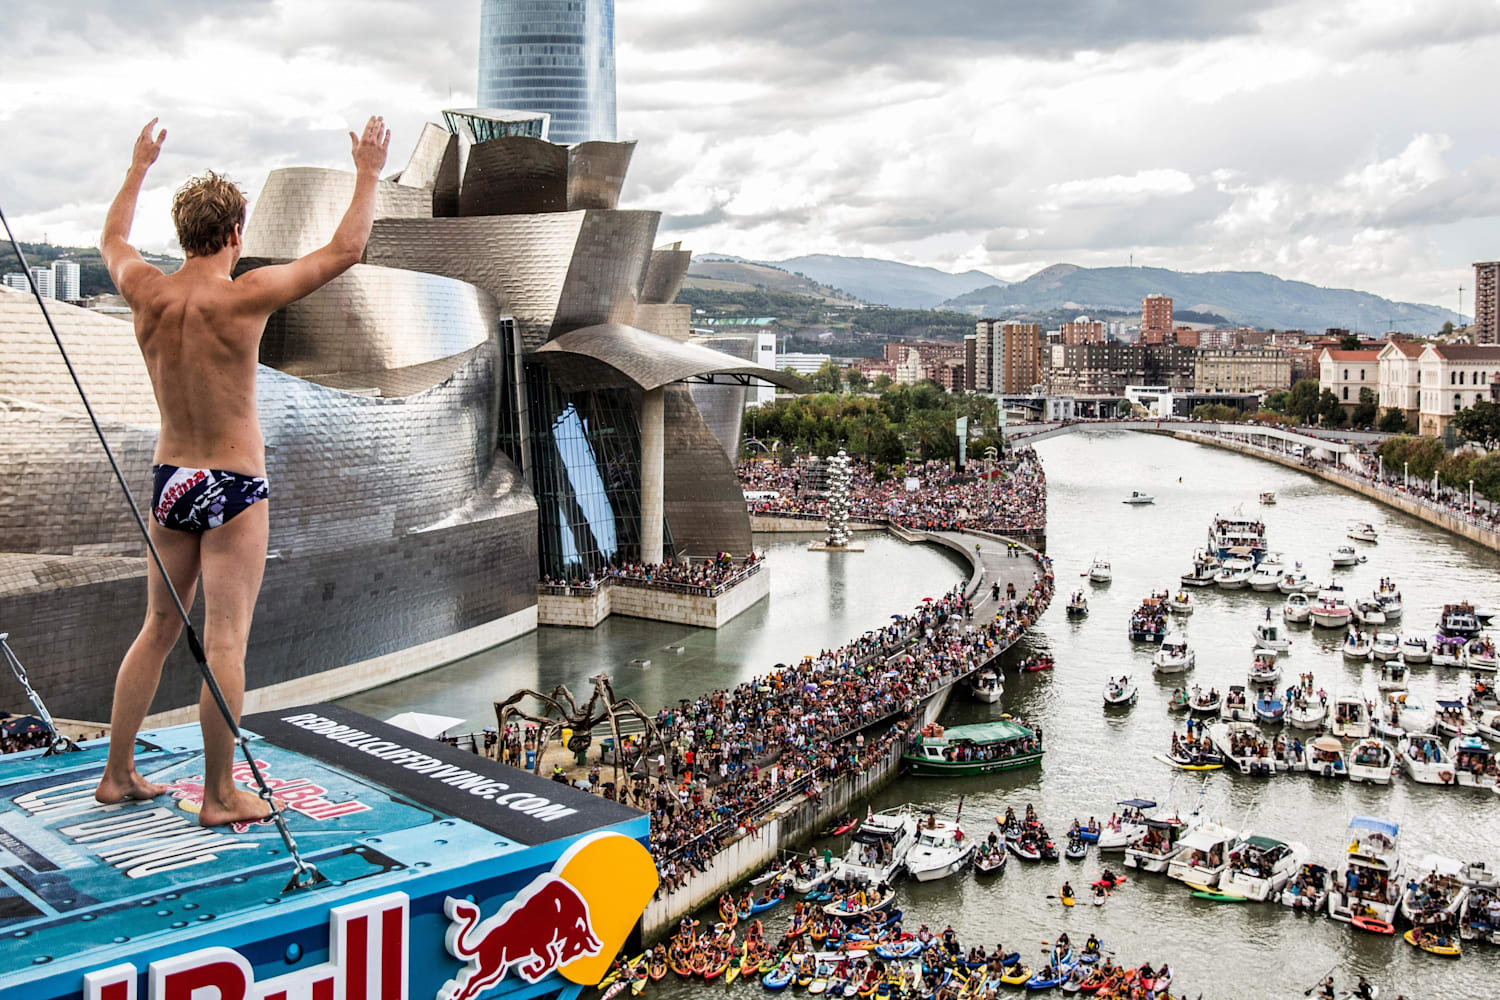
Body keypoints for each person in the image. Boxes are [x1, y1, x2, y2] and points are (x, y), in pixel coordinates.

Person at [93, 116, 391, 824]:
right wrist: (369, 173)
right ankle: (221, 795)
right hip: (232, 485)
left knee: (157, 628)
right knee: (225, 640)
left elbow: (111, 241)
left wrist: (137, 167)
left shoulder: (146, 292)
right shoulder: (244, 295)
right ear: (235, 232)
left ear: (183, 234)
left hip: (173, 481)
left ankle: (117, 773)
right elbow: (346, 250)